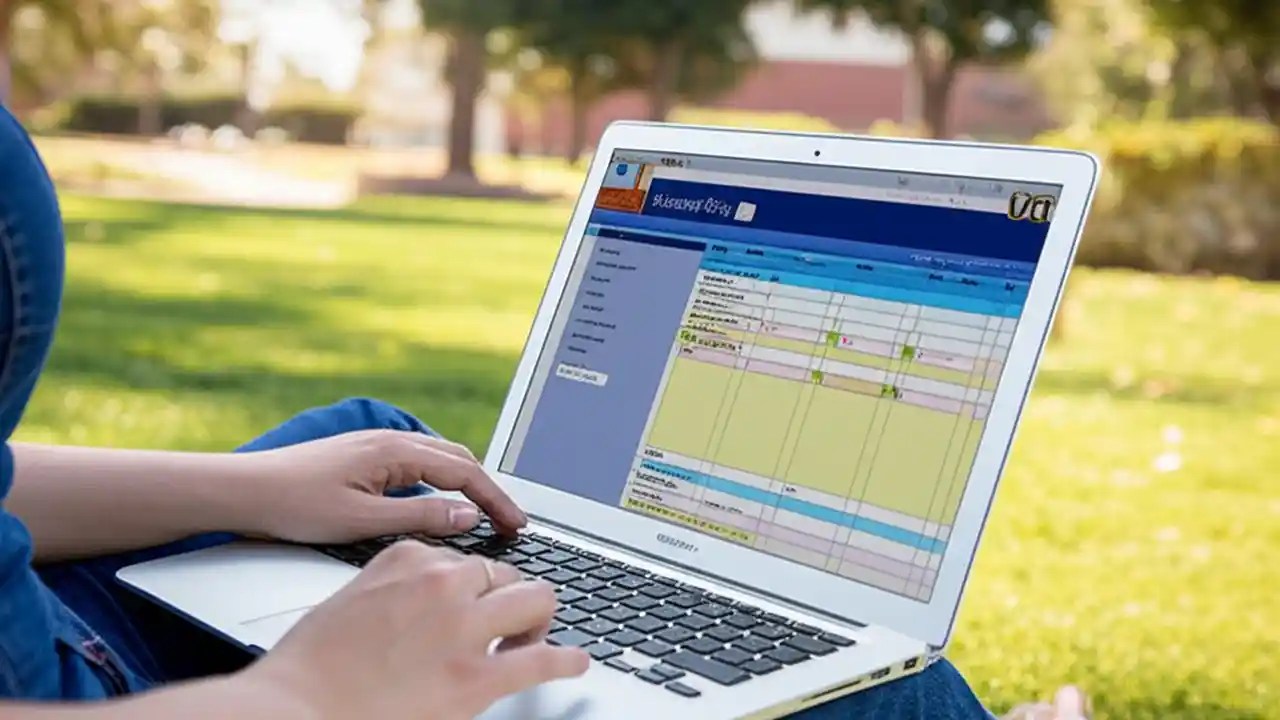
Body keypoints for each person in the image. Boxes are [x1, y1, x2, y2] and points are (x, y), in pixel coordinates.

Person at [0, 105, 1082, 720]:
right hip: (89, 683)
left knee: (392, 450)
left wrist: (247, 490)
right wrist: (309, 695)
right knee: (876, 689)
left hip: (39, 606)